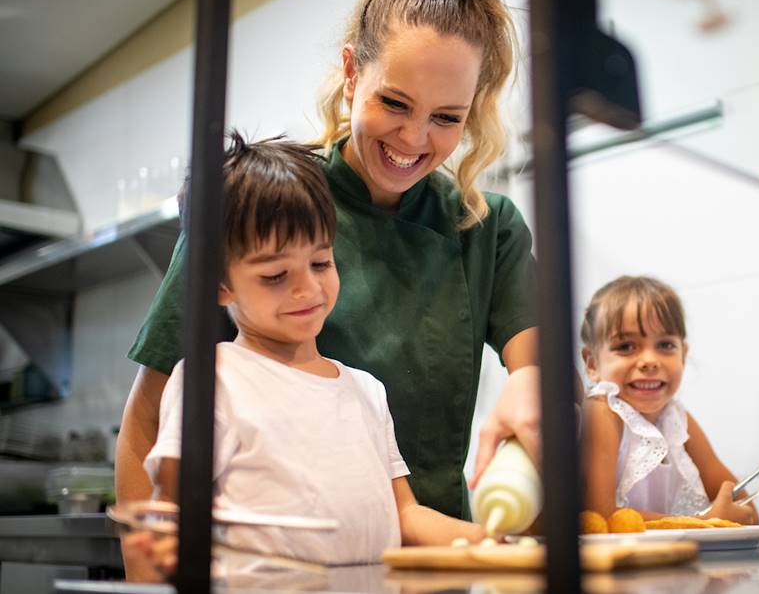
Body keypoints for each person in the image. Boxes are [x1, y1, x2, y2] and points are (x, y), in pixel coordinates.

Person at [116, 0, 540, 575]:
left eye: (447, 117)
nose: (414, 138)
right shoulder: (264, 208)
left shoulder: (487, 226)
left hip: (432, 569)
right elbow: (149, 411)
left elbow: (540, 371)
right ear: (351, 72)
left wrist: (538, 390)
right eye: (394, 102)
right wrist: (151, 574)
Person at [123, 133, 487, 581]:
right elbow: (172, 507)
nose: (308, 289)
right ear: (219, 284)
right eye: (276, 275)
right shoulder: (212, 379)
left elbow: (406, 516)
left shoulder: (366, 392)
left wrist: (487, 542)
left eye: (320, 263)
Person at [579, 276, 759, 523]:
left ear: (683, 355)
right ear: (592, 363)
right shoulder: (602, 412)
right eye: (626, 346)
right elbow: (600, 515)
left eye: (665, 344)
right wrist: (703, 523)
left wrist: (738, 514)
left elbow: (742, 503)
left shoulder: (677, 419)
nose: (650, 360)